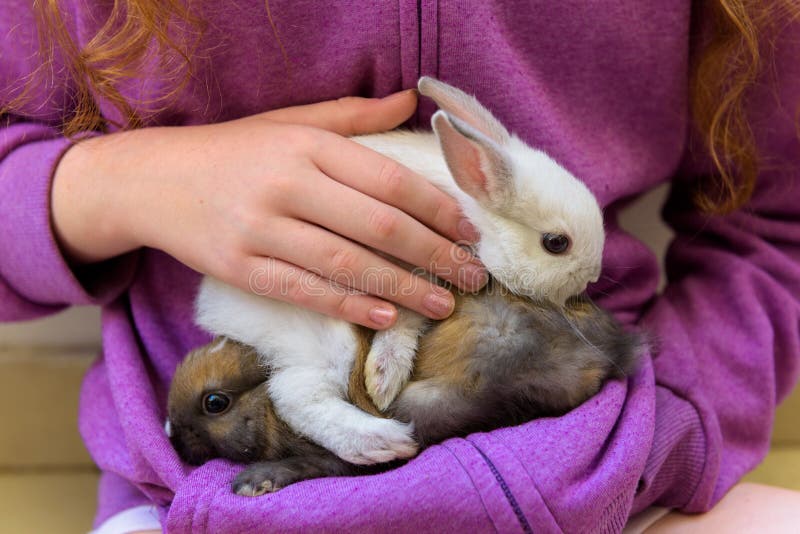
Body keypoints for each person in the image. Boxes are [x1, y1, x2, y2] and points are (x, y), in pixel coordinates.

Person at [1, 1, 799, 532]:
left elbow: (777, 217)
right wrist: (116, 185)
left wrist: (675, 428)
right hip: (198, 500)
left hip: (597, 489)